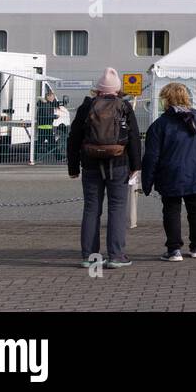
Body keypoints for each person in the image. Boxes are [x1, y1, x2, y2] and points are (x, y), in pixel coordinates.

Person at [67, 68, 141, 269]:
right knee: (117, 208)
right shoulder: (124, 106)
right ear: (117, 89)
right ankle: (116, 255)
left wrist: (73, 167)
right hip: (118, 163)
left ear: (98, 89)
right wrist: (136, 165)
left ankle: (90, 257)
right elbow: (134, 138)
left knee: (91, 208)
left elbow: (74, 138)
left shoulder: (87, 107)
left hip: (90, 164)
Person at [140, 82, 196, 262]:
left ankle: (174, 249)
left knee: (171, 210)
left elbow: (151, 156)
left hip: (170, 174)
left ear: (166, 100)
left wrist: (147, 181)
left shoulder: (160, 124)